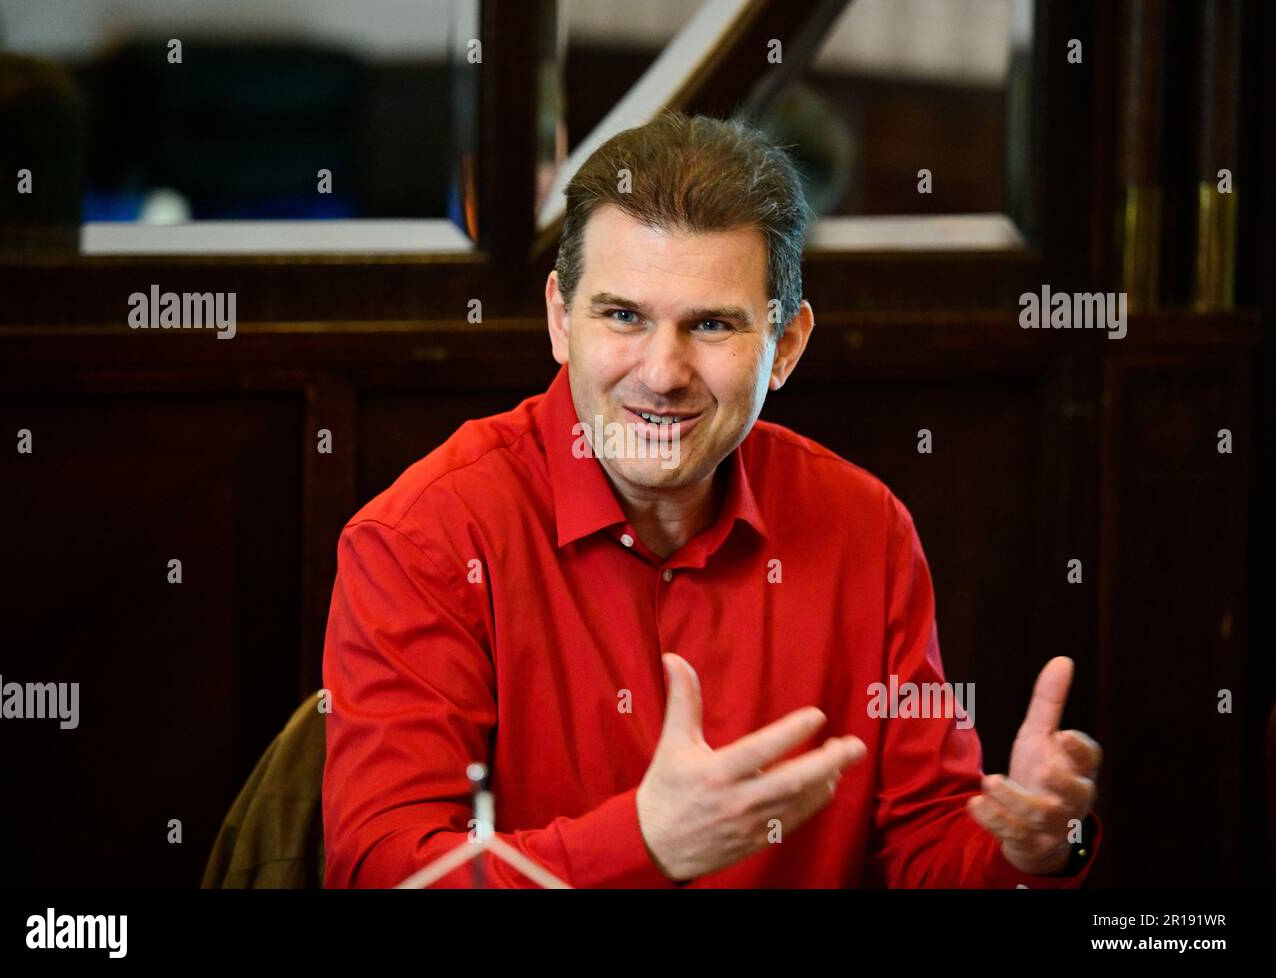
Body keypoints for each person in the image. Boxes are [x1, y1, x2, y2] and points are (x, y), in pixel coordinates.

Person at [321, 110, 1102, 888]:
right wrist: (643, 845)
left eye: (712, 325)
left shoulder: (866, 528)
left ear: (786, 346)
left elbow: (923, 848)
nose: (662, 372)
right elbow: (385, 872)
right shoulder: (421, 536)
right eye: (623, 315)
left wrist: (1027, 851)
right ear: (561, 320)